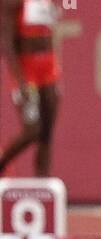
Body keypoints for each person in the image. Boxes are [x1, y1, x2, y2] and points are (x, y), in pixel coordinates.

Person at [0, 0, 61, 176]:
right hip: (27, 73)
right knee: (32, 130)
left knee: (47, 133)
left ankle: (43, 183)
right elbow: (7, 42)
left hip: (49, 69)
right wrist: (20, 80)